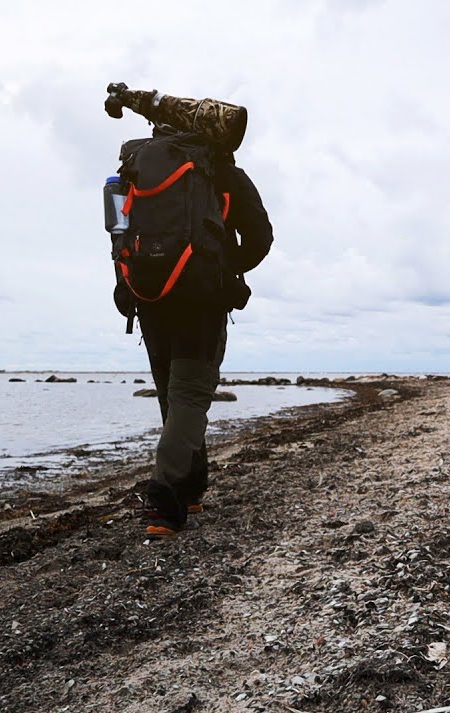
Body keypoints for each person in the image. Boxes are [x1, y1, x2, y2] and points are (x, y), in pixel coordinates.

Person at [133, 121, 273, 538]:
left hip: (149, 296)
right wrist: (222, 268)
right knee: (191, 396)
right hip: (202, 301)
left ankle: (191, 487)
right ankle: (165, 502)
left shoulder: (137, 168)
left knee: (172, 397)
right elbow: (261, 238)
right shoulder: (223, 173)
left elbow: (119, 233)